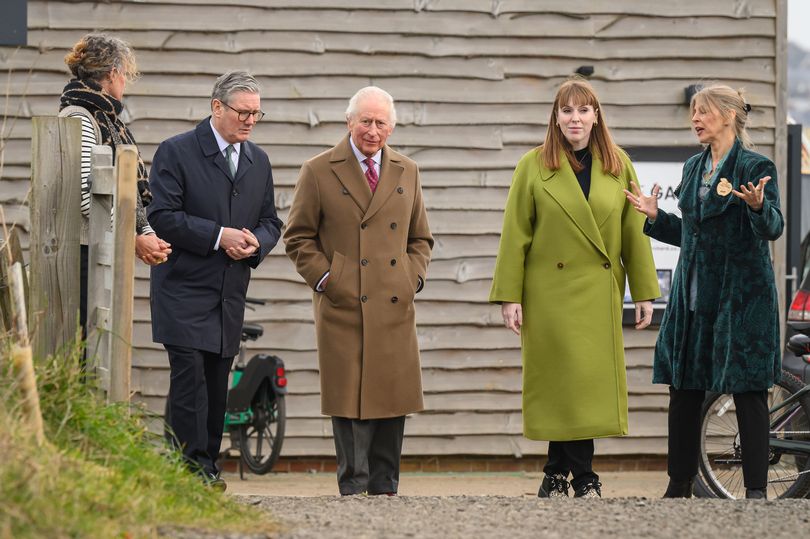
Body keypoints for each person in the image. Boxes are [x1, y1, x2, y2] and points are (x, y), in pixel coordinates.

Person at [490, 77, 660, 499]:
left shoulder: (618, 164)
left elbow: (633, 229)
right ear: (556, 117)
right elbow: (515, 235)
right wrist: (510, 295)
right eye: (566, 110)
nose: (575, 118)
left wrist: (643, 290)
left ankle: (557, 474)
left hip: (597, 291)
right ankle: (583, 477)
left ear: (596, 116)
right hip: (548, 293)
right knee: (560, 383)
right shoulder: (532, 165)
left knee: (582, 384)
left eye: (583, 110)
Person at [625, 84, 783, 499]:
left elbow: (773, 228)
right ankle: (679, 485)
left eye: (703, 111)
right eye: (693, 112)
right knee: (684, 388)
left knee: (748, 390)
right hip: (693, 297)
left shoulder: (755, 166)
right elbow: (692, 235)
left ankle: (755, 492)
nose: (695, 119)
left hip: (740, 299)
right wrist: (656, 217)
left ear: (729, 115)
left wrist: (757, 207)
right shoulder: (694, 167)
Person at [284, 86, 433, 496]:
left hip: (394, 300)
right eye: (365, 121)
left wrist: (411, 278)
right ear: (349, 122)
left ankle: (386, 487)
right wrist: (328, 280)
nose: (372, 130)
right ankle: (353, 488)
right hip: (343, 301)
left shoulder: (407, 170)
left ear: (392, 127)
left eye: (381, 122)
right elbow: (297, 237)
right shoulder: (318, 169)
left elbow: (420, 238)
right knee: (348, 396)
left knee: (393, 394)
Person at [147, 71, 283, 490]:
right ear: (217, 107)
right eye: (243, 112)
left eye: (256, 113)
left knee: (216, 383)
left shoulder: (258, 160)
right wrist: (219, 236)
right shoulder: (176, 151)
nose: (250, 121)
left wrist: (256, 243)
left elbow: (270, 221)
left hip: (228, 293)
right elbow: (161, 216)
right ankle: (192, 472)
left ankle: (204, 468)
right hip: (182, 289)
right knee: (190, 380)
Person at [60, 33, 171, 336]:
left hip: (102, 245)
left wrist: (146, 232)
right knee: (86, 343)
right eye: (124, 75)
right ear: (112, 73)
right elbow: (85, 197)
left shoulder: (107, 117)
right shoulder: (81, 116)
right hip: (82, 251)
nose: (124, 82)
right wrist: (131, 237)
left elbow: (128, 189)